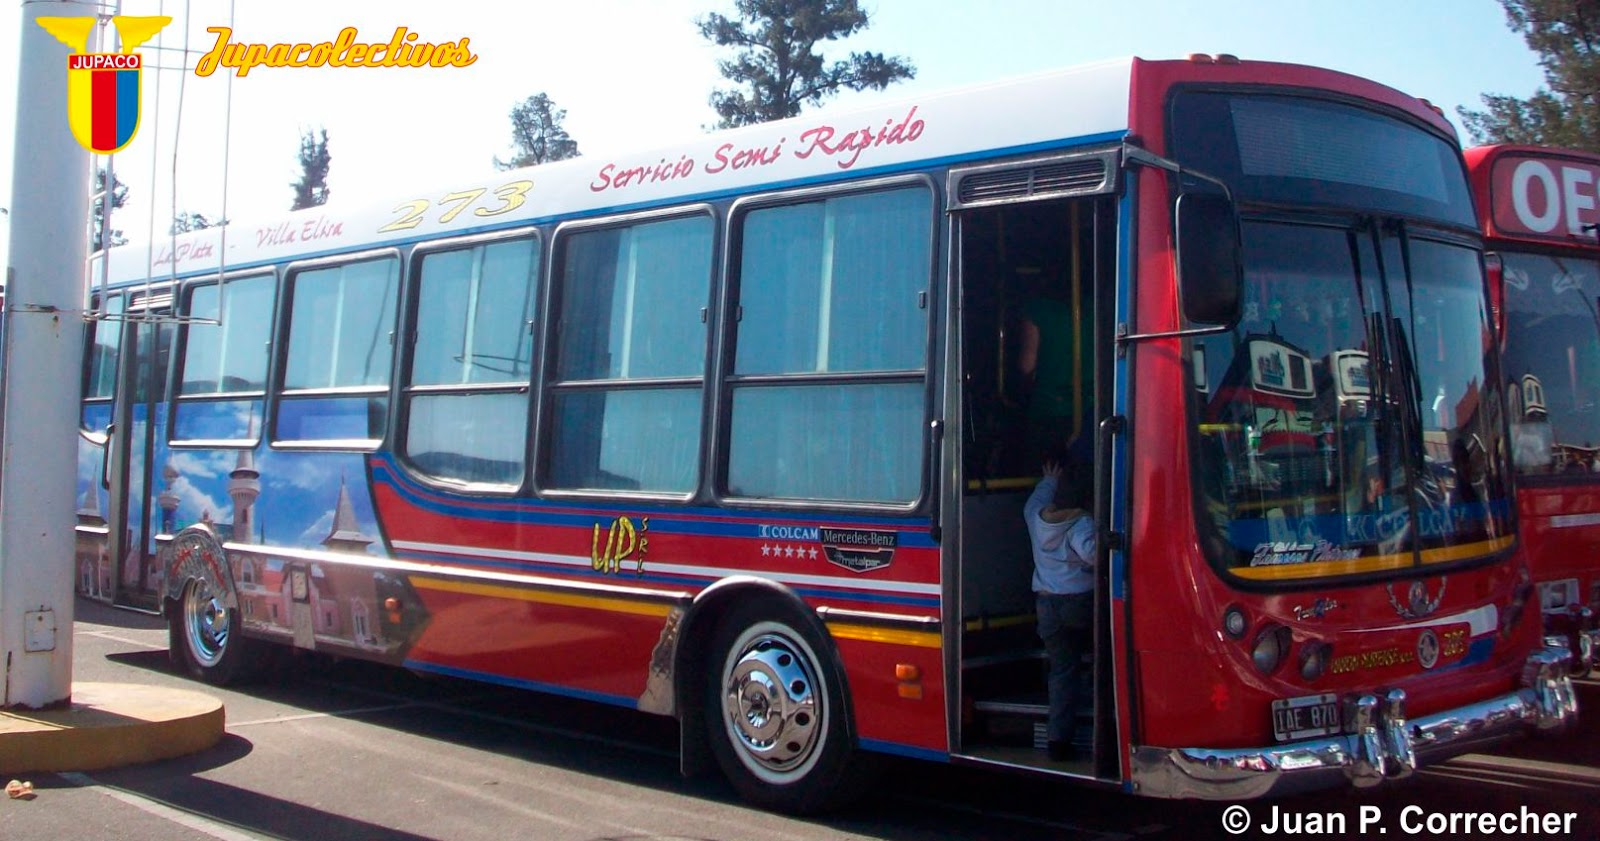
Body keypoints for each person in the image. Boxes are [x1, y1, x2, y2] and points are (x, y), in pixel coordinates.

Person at [1023, 458, 1095, 761]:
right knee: (1103, 656)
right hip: (1079, 604)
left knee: (1062, 671)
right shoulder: (1081, 523)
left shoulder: (1033, 516)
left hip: (1046, 605)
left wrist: (1050, 479)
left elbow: (1038, 497)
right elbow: (1094, 555)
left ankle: (1057, 739)